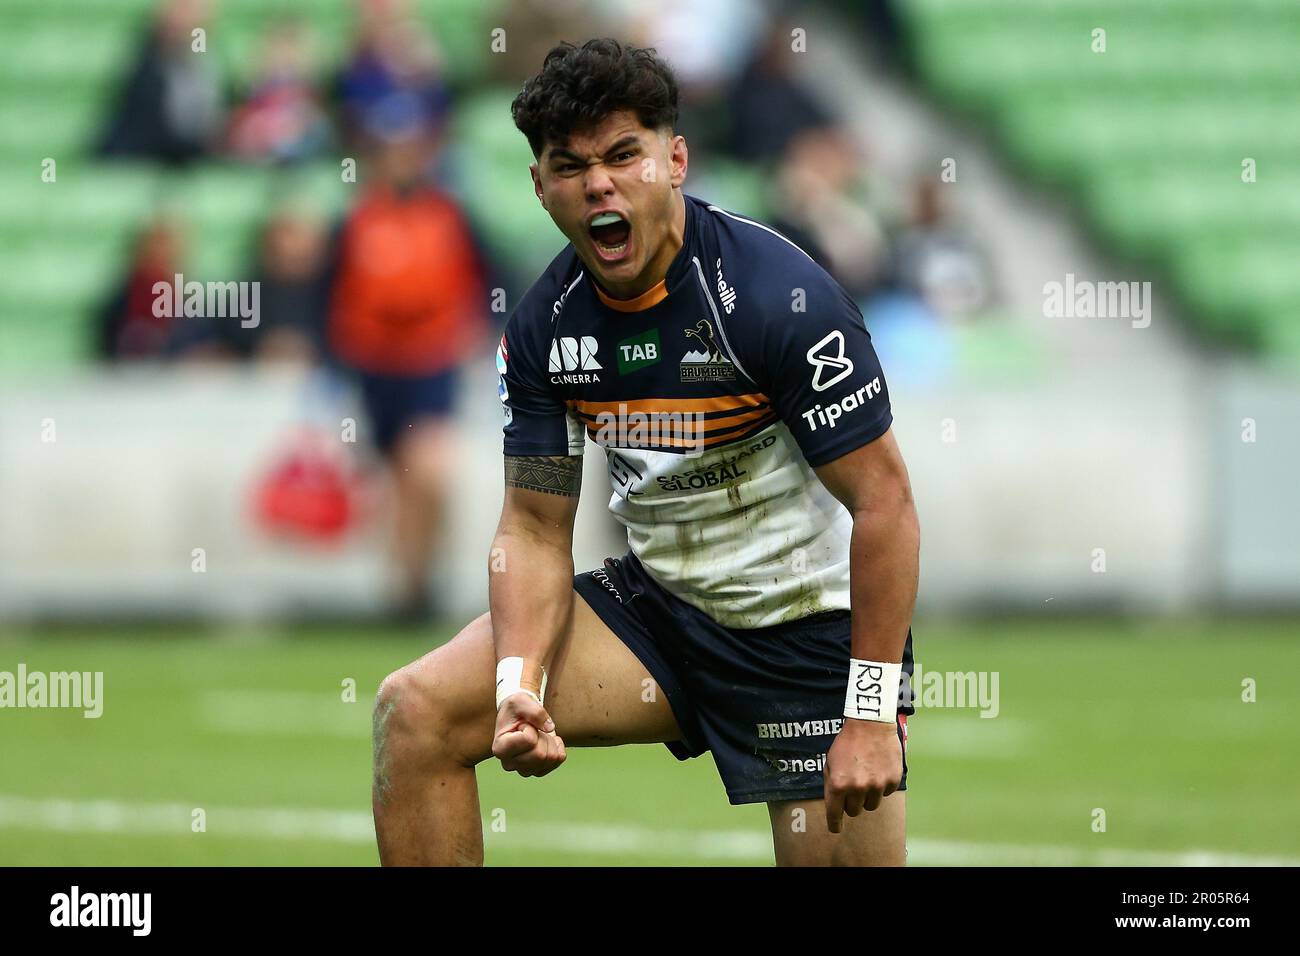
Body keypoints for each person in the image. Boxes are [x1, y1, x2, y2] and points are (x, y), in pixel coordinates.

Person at [371, 39, 920, 867]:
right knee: (415, 712)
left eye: (625, 155)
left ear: (676, 158)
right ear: (538, 185)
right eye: (570, 164)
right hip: (660, 613)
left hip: (809, 632)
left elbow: (885, 506)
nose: (599, 183)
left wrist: (872, 713)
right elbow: (530, 529)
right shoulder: (544, 328)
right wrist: (518, 687)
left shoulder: (778, 299)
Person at [327, 94, 489, 620]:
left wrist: (481, 327)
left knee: (428, 471)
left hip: (431, 364)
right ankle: (406, 588)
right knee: (396, 484)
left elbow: (495, 277)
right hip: (375, 369)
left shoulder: (450, 215)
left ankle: (419, 584)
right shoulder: (356, 219)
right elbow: (326, 295)